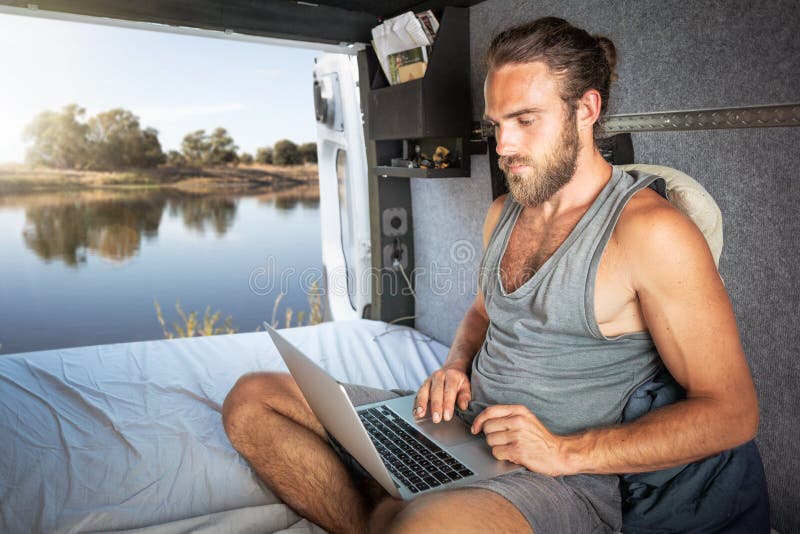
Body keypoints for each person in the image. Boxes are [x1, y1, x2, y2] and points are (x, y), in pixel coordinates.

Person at [222, 17, 763, 533]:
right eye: (496, 125)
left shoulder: (650, 233)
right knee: (251, 401)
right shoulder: (503, 212)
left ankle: (395, 513)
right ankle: (388, 513)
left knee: (419, 528)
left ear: (585, 109)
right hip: (457, 425)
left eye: (525, 120)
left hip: (551, 474)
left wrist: (563, 452)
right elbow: (484, 311)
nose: (502, 147)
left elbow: (732, 413)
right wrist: (455, 365)